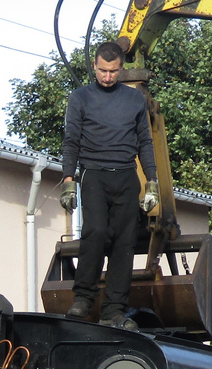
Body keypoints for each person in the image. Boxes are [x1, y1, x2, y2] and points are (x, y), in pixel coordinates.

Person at [59, 42, 160, 330]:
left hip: (127, 176)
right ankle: (82, 299)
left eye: (113, 71)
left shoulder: (134, 100)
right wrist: (69, 180)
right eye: (103, 71)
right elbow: (71, 141)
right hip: (94, 175)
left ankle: (114, 309)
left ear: (121, 69)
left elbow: (145, 142)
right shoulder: (80, 98)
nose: (107, 77)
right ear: (94, 66)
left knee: (124, 242)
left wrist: (151, 182)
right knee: (96, 232)